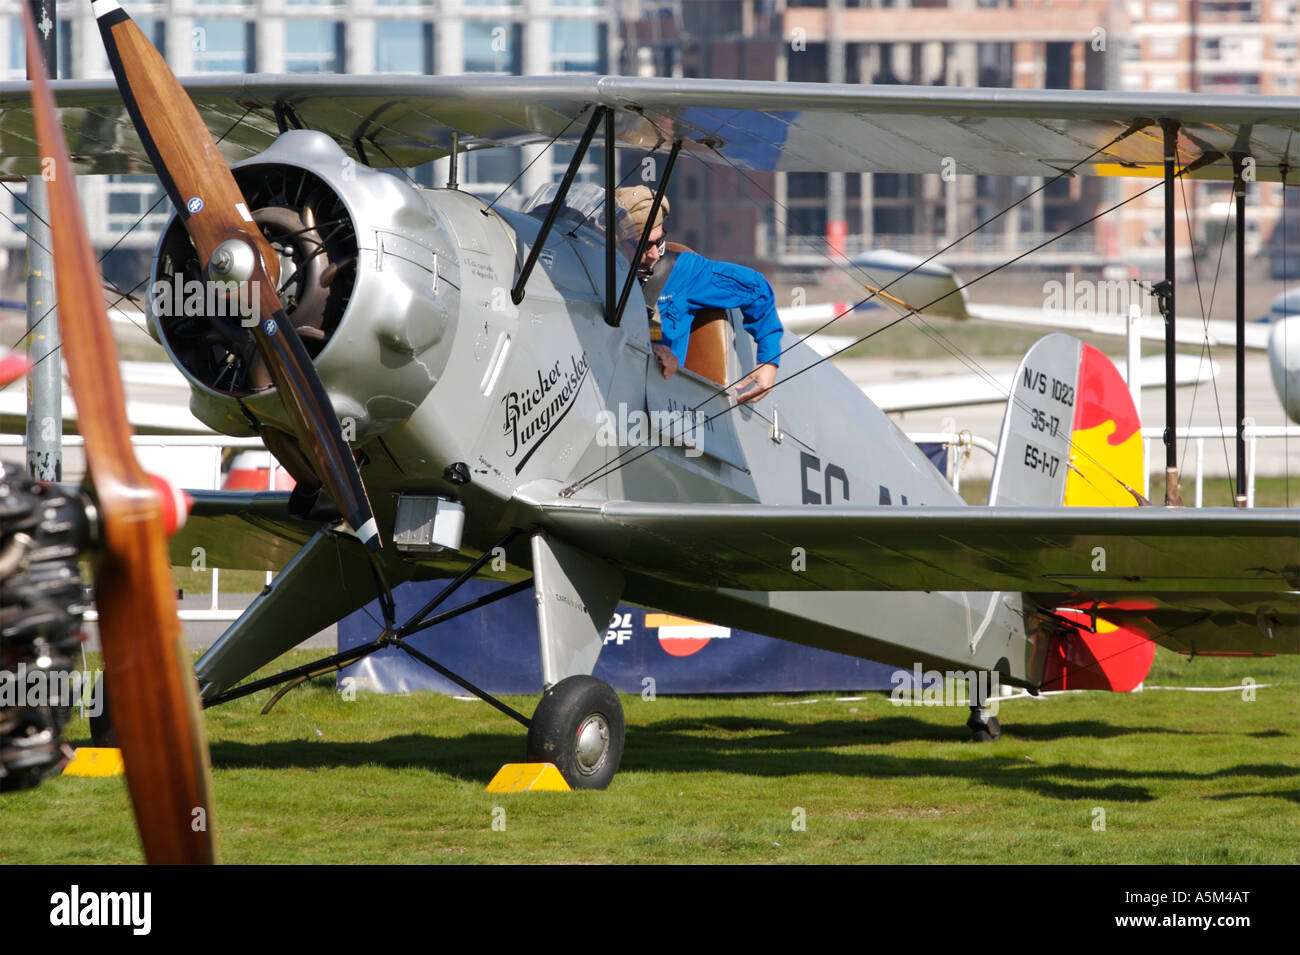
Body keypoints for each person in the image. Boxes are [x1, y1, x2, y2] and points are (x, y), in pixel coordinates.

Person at [615, 185, 782, 404]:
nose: (655, 253)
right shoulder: (591, 269)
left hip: (654, 407)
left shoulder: (684, 271)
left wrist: (769, 361)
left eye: (660, 240)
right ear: (616, 241)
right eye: (644, 245)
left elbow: (756, 288)